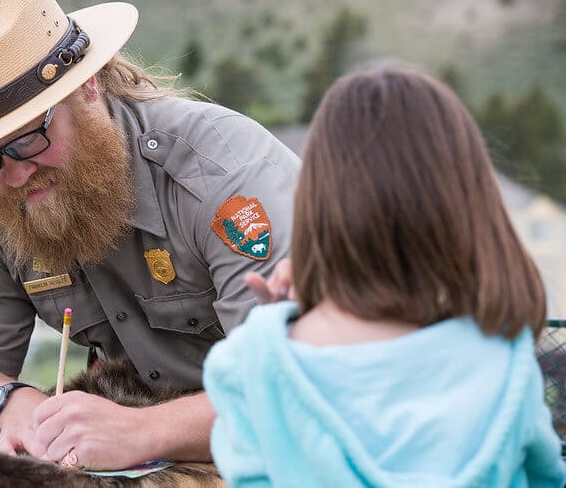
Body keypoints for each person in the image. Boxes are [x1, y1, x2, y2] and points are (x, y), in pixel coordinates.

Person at [0, 0, 300, 470]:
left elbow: (297, 385)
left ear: (87, 88)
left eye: (29, 139)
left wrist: (142, 430)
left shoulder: (225, 179)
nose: (15, 175)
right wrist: (14, 405)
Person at [203, 66, 566, 486]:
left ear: (318, 202)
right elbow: (545, 477)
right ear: (467, 202)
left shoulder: (250, 363)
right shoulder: (503, 360)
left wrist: (280, 328)